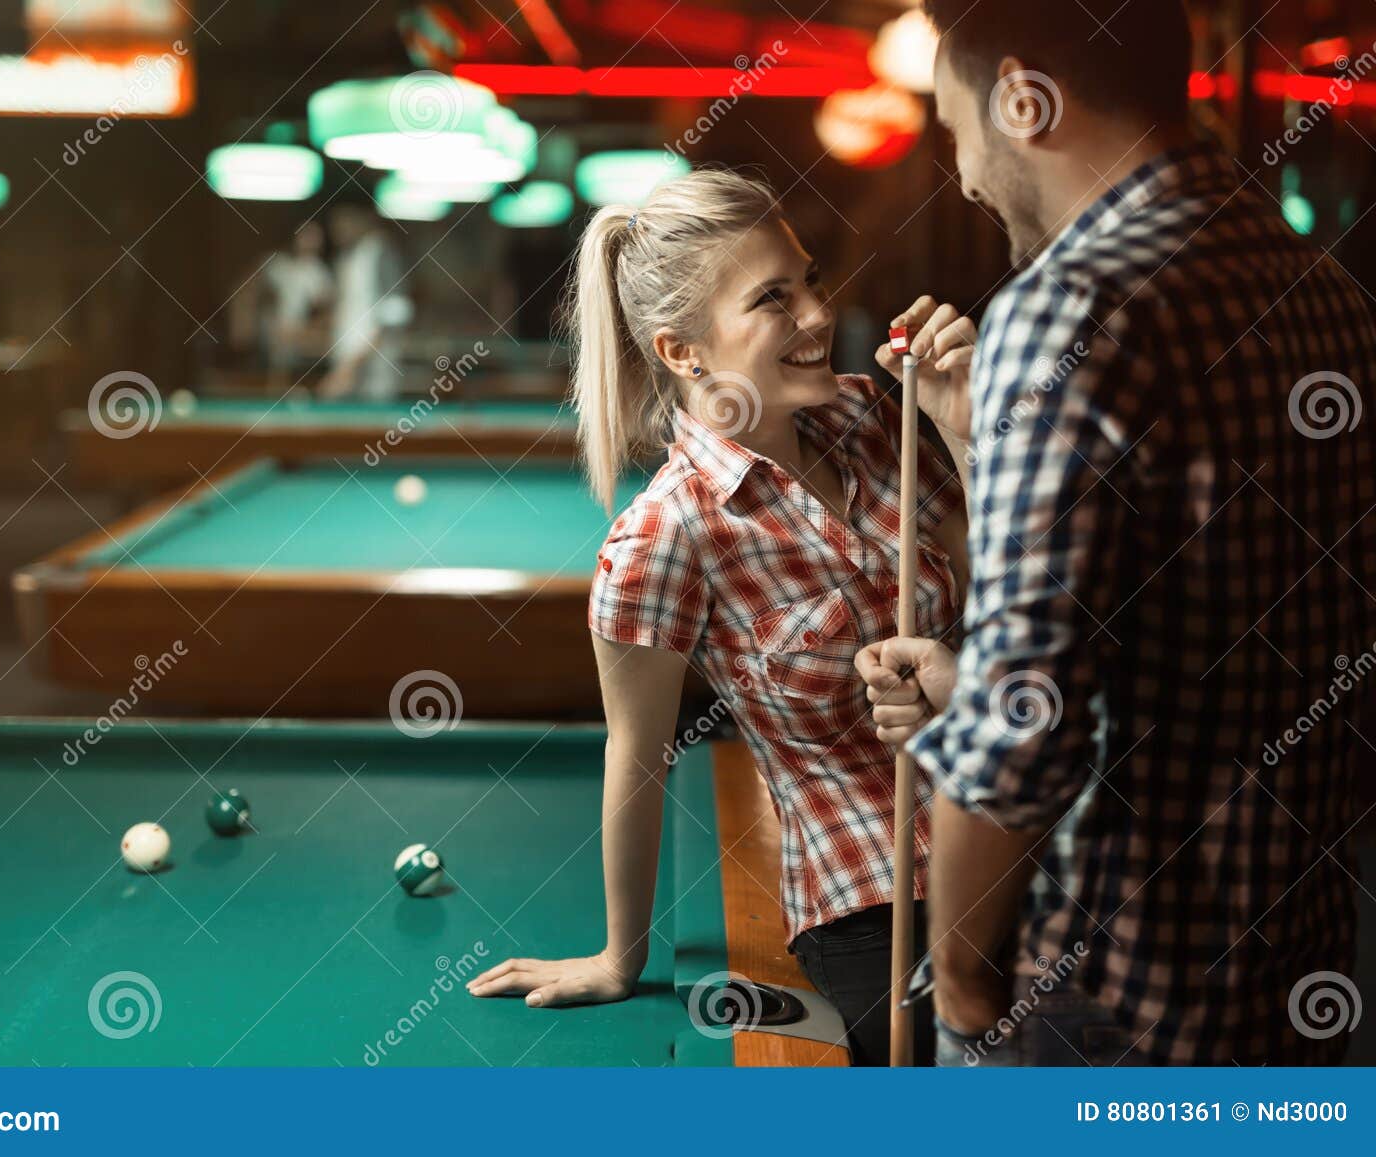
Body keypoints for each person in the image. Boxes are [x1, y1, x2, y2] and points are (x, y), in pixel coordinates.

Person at [856, 0, 1376, 1066]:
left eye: (956, 131)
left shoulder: (1069, 303)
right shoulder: (1323, 288)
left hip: (1103, 1007)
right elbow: (1189, 634)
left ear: (1023, 100)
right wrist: (978, 437)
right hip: (1298, 976)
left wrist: (964, 991)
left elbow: (1021, 732)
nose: (963, 176)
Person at [466, 170, 976, 1066]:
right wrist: (620, 957)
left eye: (810, 281)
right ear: (682, 350)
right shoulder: (666, 533)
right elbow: (638, 751)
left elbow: (1005, 585)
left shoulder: (867, 412)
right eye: (774, 299)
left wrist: (964, 425)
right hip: (877, 898)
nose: (818, 314)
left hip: (1023, 832)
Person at [319, 205, 413, 400]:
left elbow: (395, 314)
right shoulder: (347, 257)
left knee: (376, 413)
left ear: (362, 220)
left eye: (345, 220)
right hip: (348, 361)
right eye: (335, 223)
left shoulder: (382, 252)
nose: (339, 229)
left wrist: (351, 365)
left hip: (376, 363)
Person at [230, 221, 335, 382]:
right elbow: (246, 291)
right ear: (296, 237)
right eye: (306, 235)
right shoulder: (276, 263)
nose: (311, 241)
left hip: (300, 334)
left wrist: (304, 330)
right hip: (269, 331)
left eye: (316, 237)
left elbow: (325, 311)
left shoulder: (319, 272)